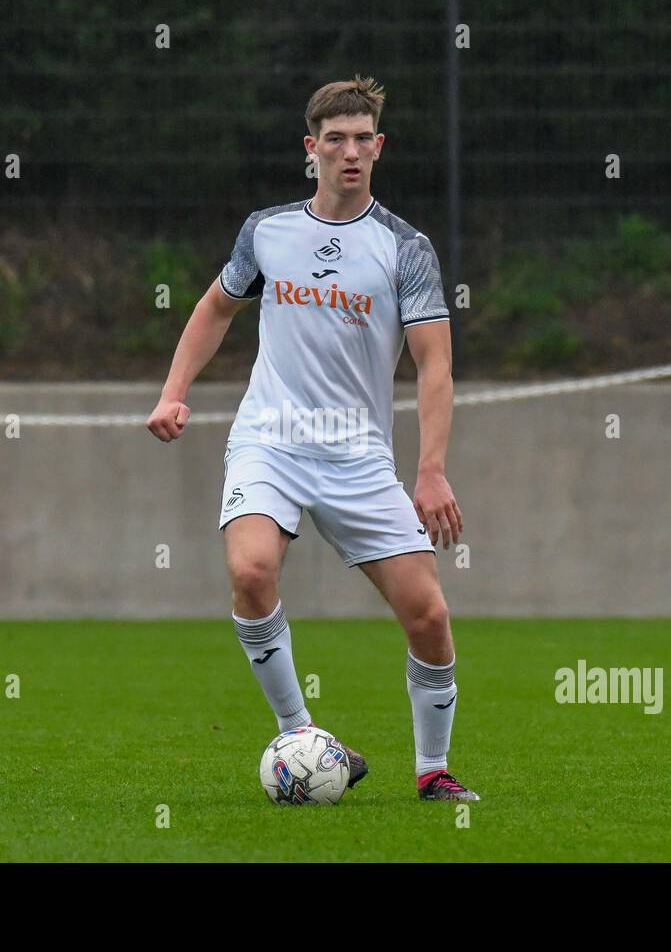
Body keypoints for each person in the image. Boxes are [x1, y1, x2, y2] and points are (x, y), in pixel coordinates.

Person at [146, 75, 477, 801]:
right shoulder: (268, 231)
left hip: (358, 455)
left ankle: (433, 771)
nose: (350, 152)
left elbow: (435, 364)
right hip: (271, 440)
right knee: (253, 571)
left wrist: (430, 470)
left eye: (363, 139)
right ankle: (301, 735)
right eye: (336, 140)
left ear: (379, 147)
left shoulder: (406, 248)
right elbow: (213, 309)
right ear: (312, 148)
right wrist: (174, 394)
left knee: (428, 615)